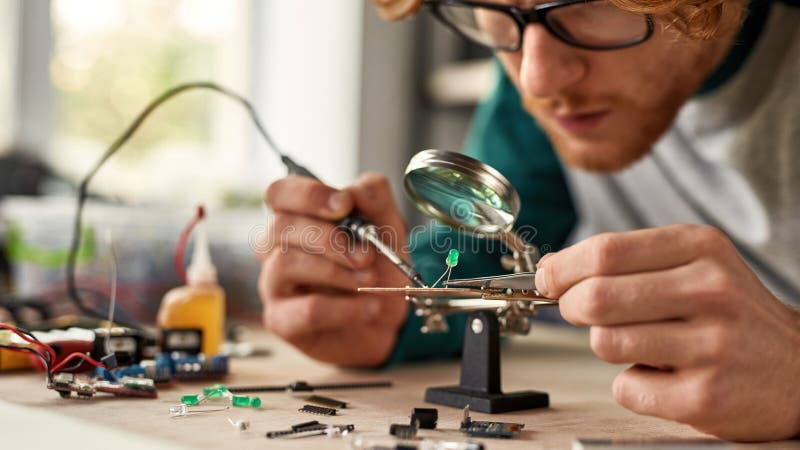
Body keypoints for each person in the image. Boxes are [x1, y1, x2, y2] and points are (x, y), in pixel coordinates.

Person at [257, 0, 800, 442]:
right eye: (495, 9)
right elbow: (479, 251)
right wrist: (386, 312)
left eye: (587, 5)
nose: (537, 80)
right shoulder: (535, 53)